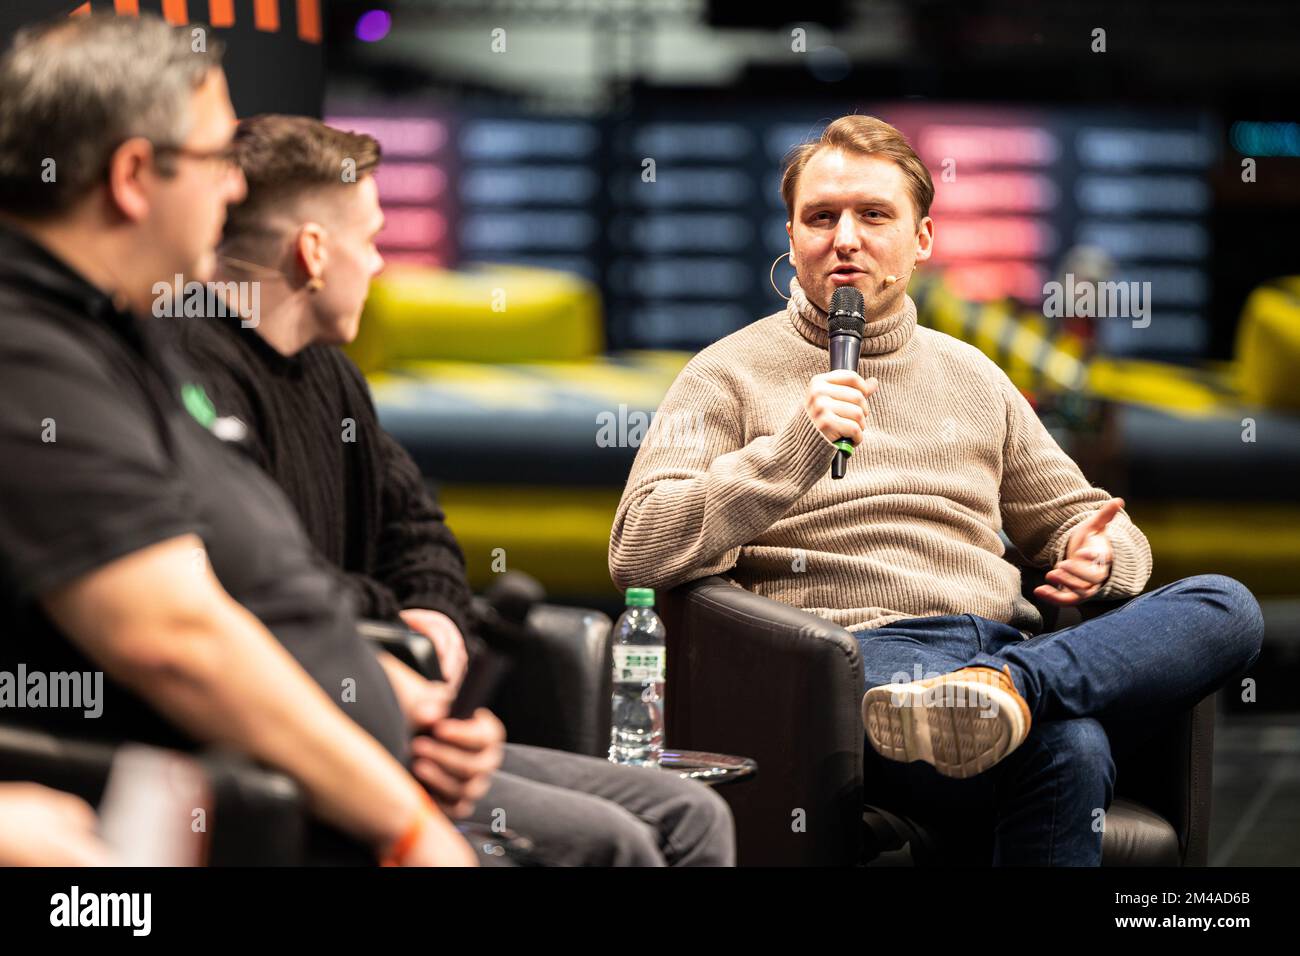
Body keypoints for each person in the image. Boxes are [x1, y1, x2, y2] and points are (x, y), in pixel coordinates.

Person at [608, 114, 1264, 865]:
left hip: (1001, 644)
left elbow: (1088, 518)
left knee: (1226, 605)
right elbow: (637, 548)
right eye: (821, 217)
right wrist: (792, 451)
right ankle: (1011, 694)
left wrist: (1101, 552)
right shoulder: (725, 374)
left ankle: (1008, 686)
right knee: (1071, 747)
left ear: (921, 239)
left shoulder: (974, 376)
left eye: (874, 215)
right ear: (791, 238)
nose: (845, 238)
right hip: (854, 666)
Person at [172, 114, 735, 867]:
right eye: (369, 241)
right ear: (312, 252)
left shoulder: (330, 374)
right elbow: (270, 586)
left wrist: (433, 614)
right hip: (304, 740)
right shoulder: (192, 376)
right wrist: (395, 639)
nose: (378, 266)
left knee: (692, 813)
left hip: (389, 714)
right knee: (618, 842)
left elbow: (419, 530)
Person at [0, 13, 483, 866]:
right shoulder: (30, 349)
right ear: (134, 175)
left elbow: (268, 579)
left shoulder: (123, 331)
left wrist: (379, 682)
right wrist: (405, 822)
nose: (234, 192)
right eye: (220, 159)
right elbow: (177, 639)